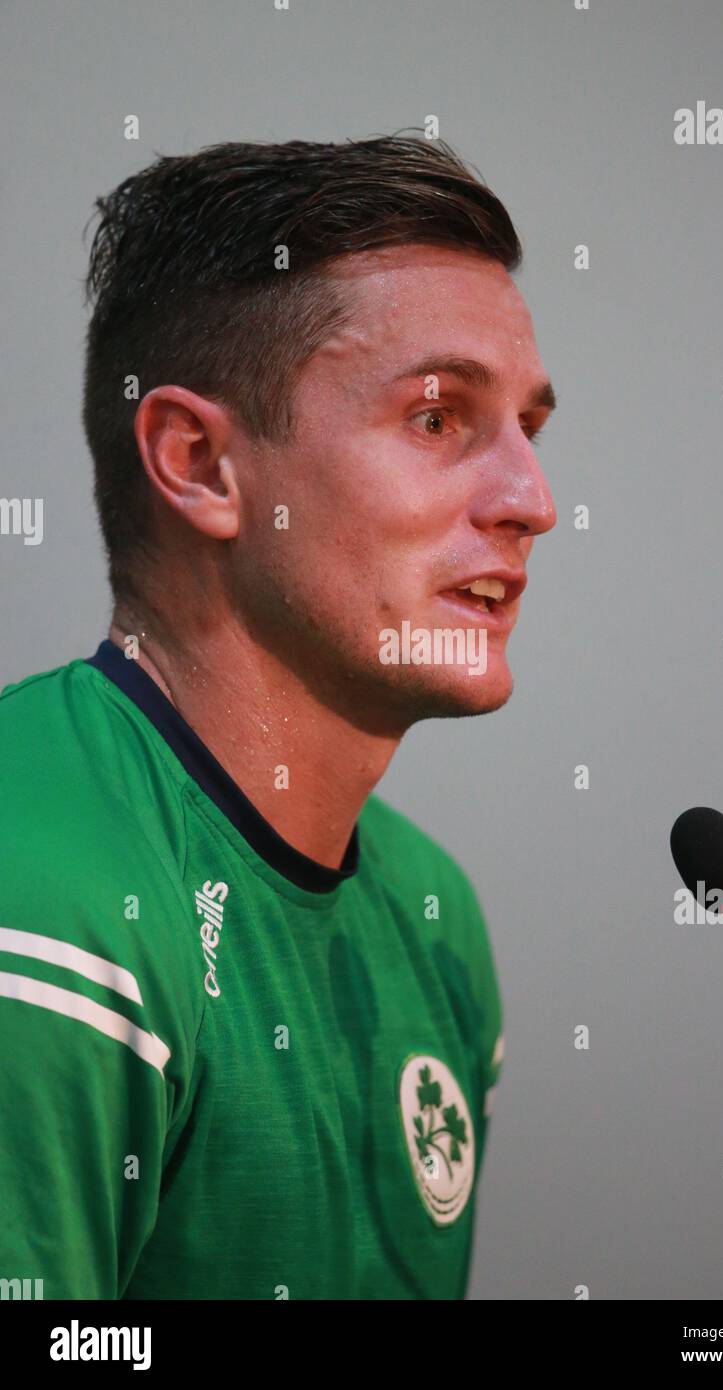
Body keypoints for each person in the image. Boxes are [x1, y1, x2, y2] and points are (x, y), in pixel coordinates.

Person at [0, 135, 557, 1299]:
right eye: (438, 417)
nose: (531, 503)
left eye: (528, 430)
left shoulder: (434, 918)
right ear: (200, 463)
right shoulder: (39, 901)